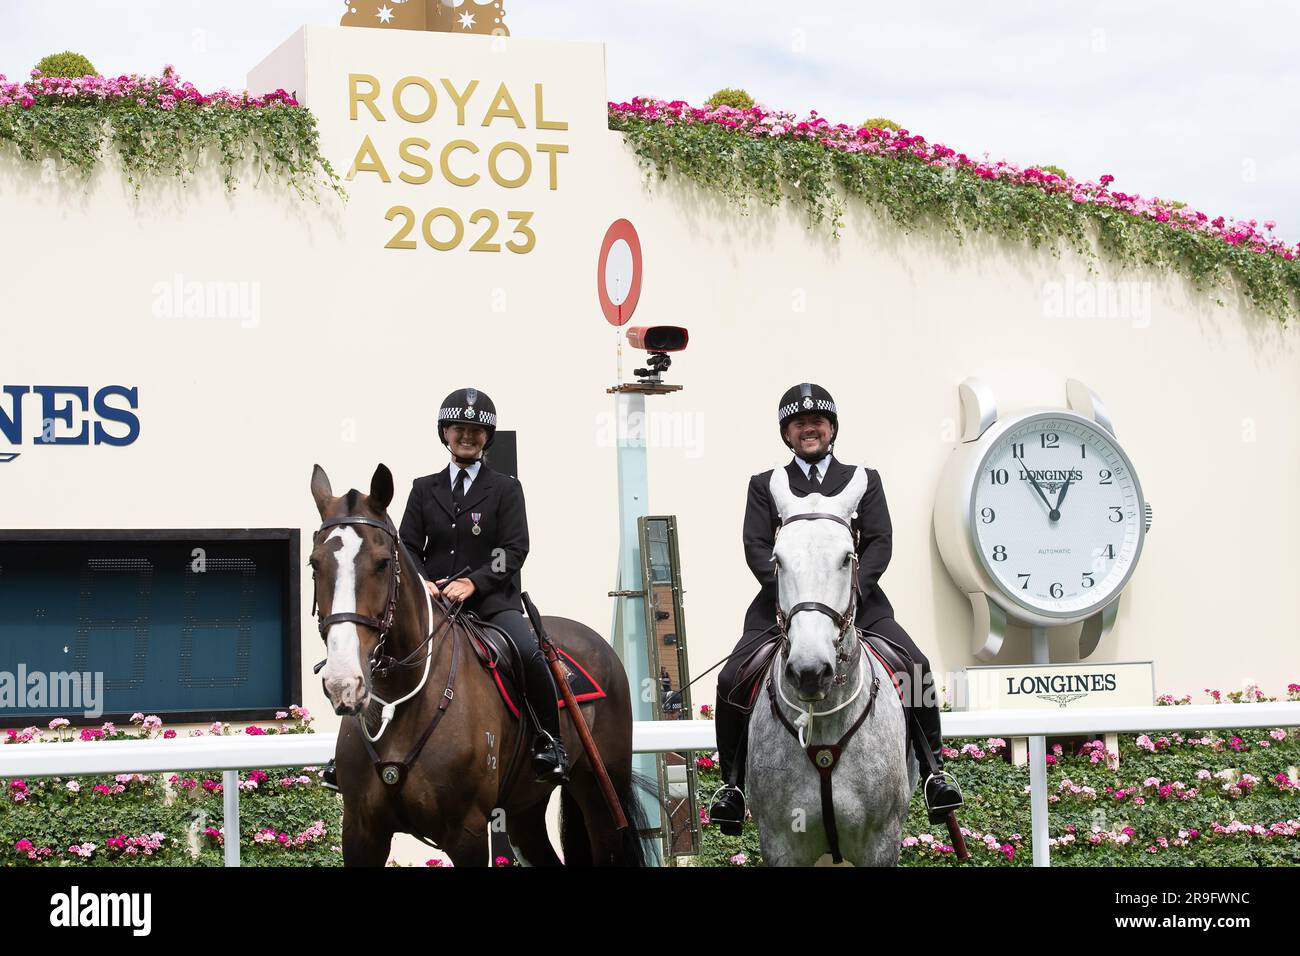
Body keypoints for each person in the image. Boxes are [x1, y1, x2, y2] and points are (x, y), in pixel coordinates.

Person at [708, 382, 963, 833]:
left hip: (856, 603)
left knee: (916, 667)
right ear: (787, 433)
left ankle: (933, 772)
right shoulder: (765, 484)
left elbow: (880, 540)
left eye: (817, 423)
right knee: (732, 677)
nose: (810, 430)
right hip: (784, 605)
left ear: (832, 429)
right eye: (799, 424)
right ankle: (733, 786)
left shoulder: (864, 479)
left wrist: (853, 591)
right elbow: (756, 545)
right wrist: (794, 596)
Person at [320, 387, 567, 791]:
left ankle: (548, 742)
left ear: (486, 437)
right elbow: (407, 547)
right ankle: (345, 756)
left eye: (475, 430)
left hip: (491, 604)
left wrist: (476, 582)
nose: (466, 436)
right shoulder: (423, 488)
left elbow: (513, 549)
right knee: (374, 652)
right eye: (458, 428)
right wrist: (425, 583)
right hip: (432, 603)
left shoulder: (505, 488)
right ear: (445, 434)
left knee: (529, 651)